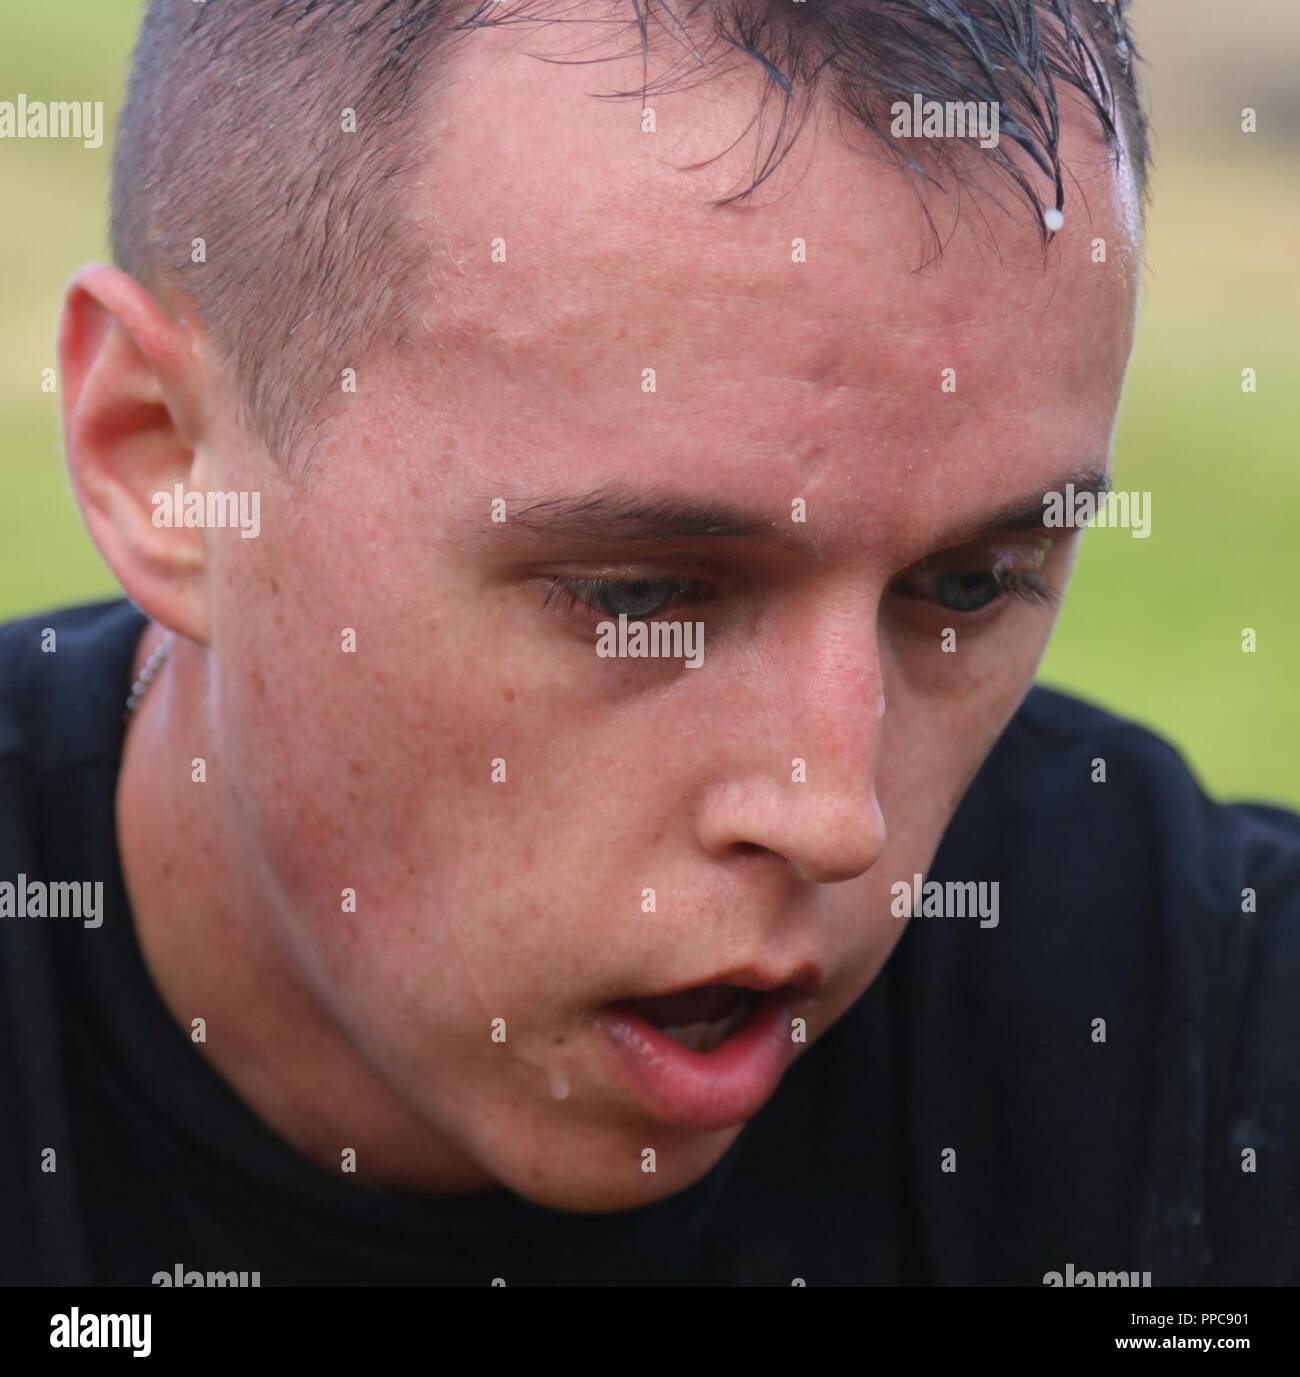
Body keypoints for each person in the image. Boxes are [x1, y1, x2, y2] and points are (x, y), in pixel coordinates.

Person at [2, 0, 1297, 1286]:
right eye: (636, 595)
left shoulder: (1212, 1036)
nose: (834, 818)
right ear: (168, 459)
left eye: (969, 583)